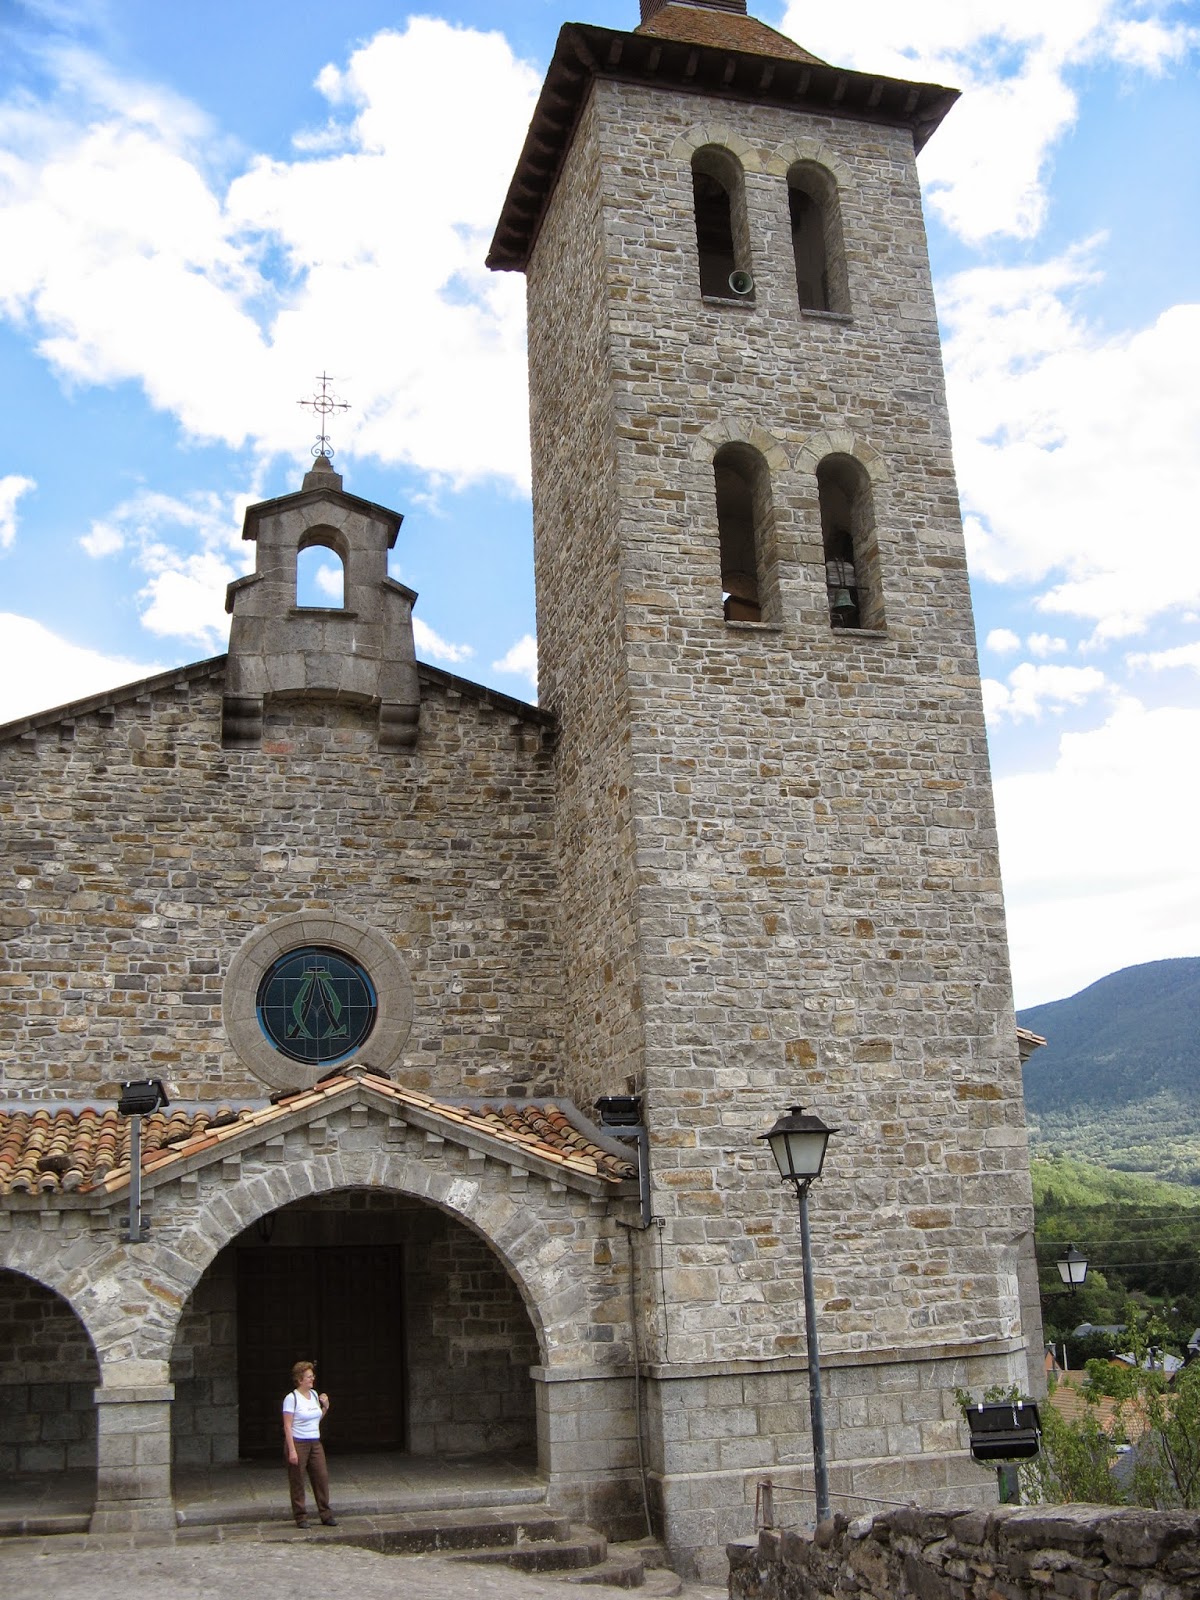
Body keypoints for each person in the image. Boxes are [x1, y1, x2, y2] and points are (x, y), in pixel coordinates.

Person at [282, 1359, 337, 1528]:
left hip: (315, 1442)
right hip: (298, 1442)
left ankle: (325, 1514)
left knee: (321, 1477)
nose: (312, 1379)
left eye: (312, 1376)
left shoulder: (314, 1395)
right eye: (309, 1377)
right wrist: (292, 1450)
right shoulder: (291, 1398)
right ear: (300, 1380)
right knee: (297, 1480)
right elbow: (288, 1426)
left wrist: (325, 1407)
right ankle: (301, 1517)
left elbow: (314, 1420)